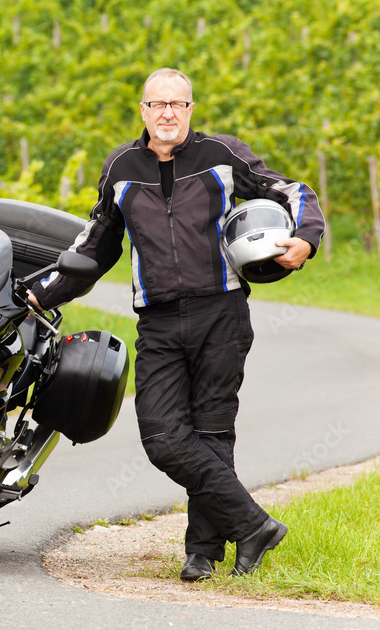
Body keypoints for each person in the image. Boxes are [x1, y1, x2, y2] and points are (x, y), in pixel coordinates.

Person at [28, 68, 324, 581]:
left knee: (213, 431)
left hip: (221, 312)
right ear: (143, 111)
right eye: (158, 104)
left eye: (177, 105)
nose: (167, 113)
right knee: (162, 434)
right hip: (159, 321)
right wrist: (42, 293)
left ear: (190, 109)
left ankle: (203, 553)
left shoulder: (222, 155)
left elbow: (291, 190)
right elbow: (95, 246)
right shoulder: (121, 167)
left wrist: (307, 236)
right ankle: (253, 525)